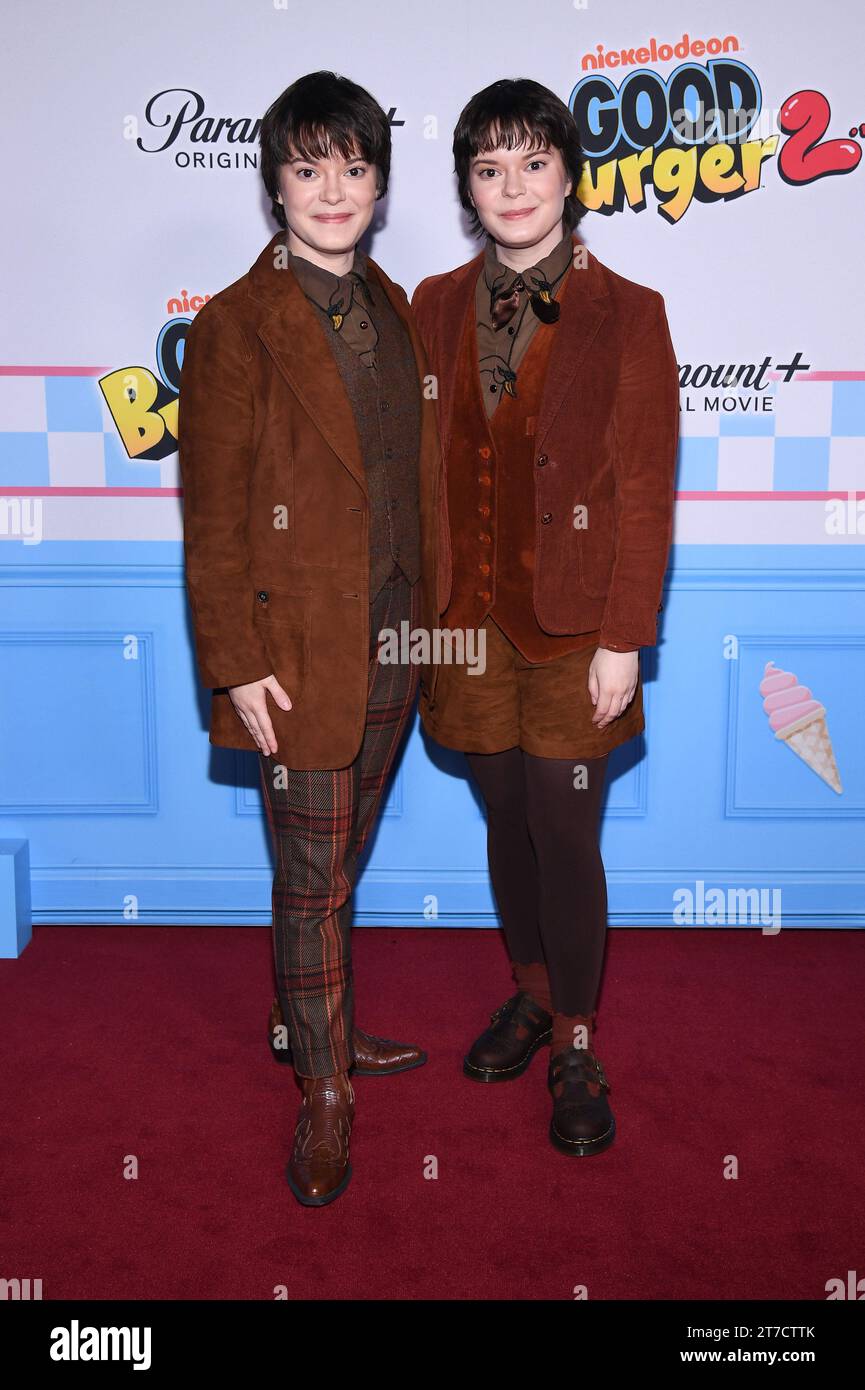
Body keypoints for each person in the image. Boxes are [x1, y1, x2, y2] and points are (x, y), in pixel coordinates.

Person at [178, 70, 442, 1206]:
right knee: (312, 877)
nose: (331, 189)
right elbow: (213, 514)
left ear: (380, 184)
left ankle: (310, 1025)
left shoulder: (394, 303)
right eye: (306, 167)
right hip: (292, 656)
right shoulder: (235, 325)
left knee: (339, 863)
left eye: (352, 166)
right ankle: (325, 1088)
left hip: (398, 636)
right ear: (273, 184)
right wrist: (235, 661)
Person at [411, 78, 679, 1156]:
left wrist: (624, 636)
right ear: (466, 187)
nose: (510, 186)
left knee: (564, 830)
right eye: (488, 167)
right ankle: (527, 992)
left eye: (532, 163)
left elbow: (646, 493)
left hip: (575, 633)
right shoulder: (429, 301)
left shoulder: (633, 313)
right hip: (461, 629)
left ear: (572, 176)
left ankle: (574, 1036)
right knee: (504, 820)